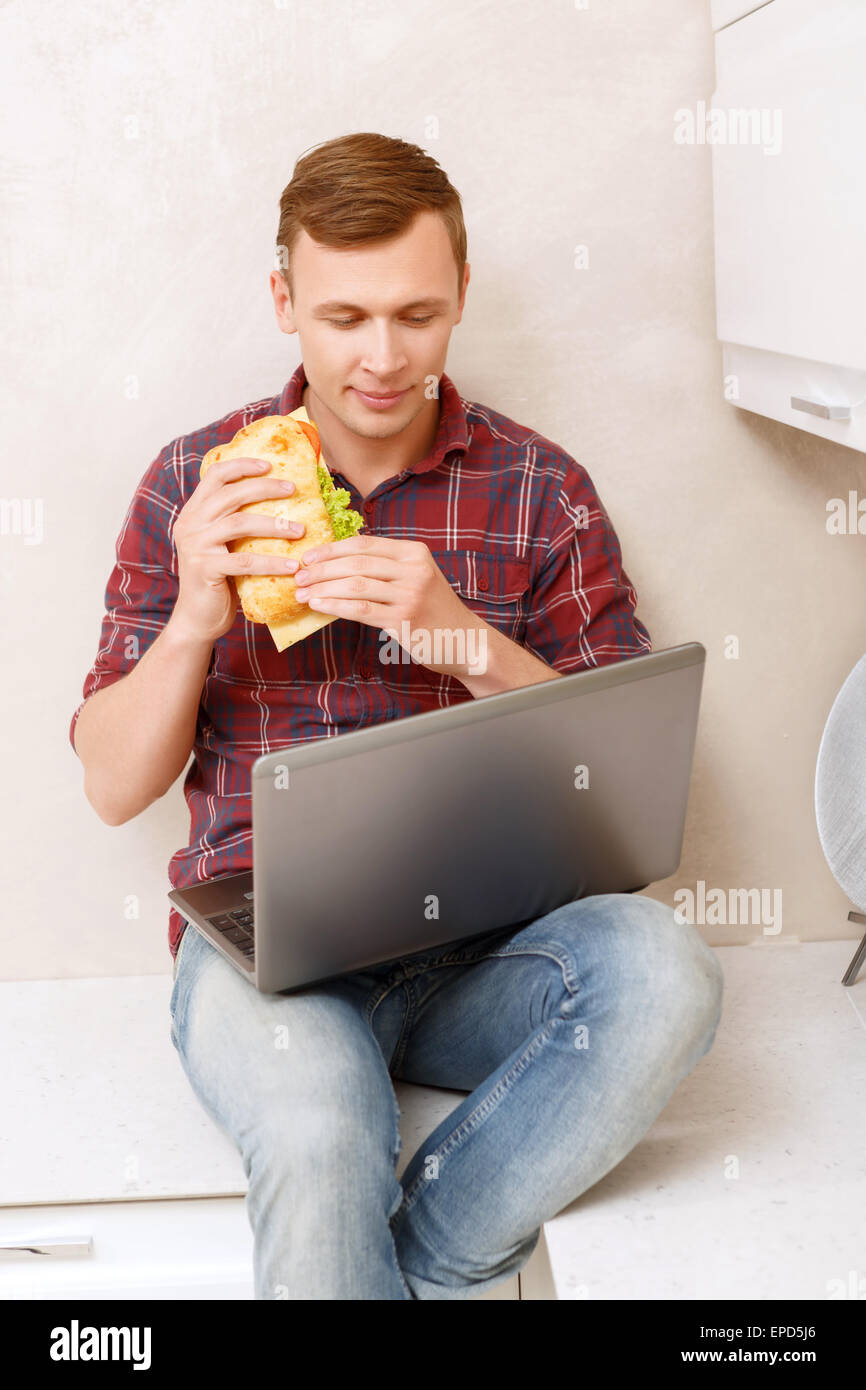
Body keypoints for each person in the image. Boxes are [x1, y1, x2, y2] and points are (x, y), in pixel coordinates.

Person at [70, 131, 723, 1300]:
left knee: (665, 970)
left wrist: (461, 637)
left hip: (486, 946)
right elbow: (113, 784)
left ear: (462, 295)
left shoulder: (542, 491)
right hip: (268, 955)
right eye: (343, 317)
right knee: (321, 1140)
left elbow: (619, 788)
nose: (380, 357)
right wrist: (192, 619)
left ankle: (417, 1274)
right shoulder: (194, 483)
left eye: (416, 315)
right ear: (284, 300)